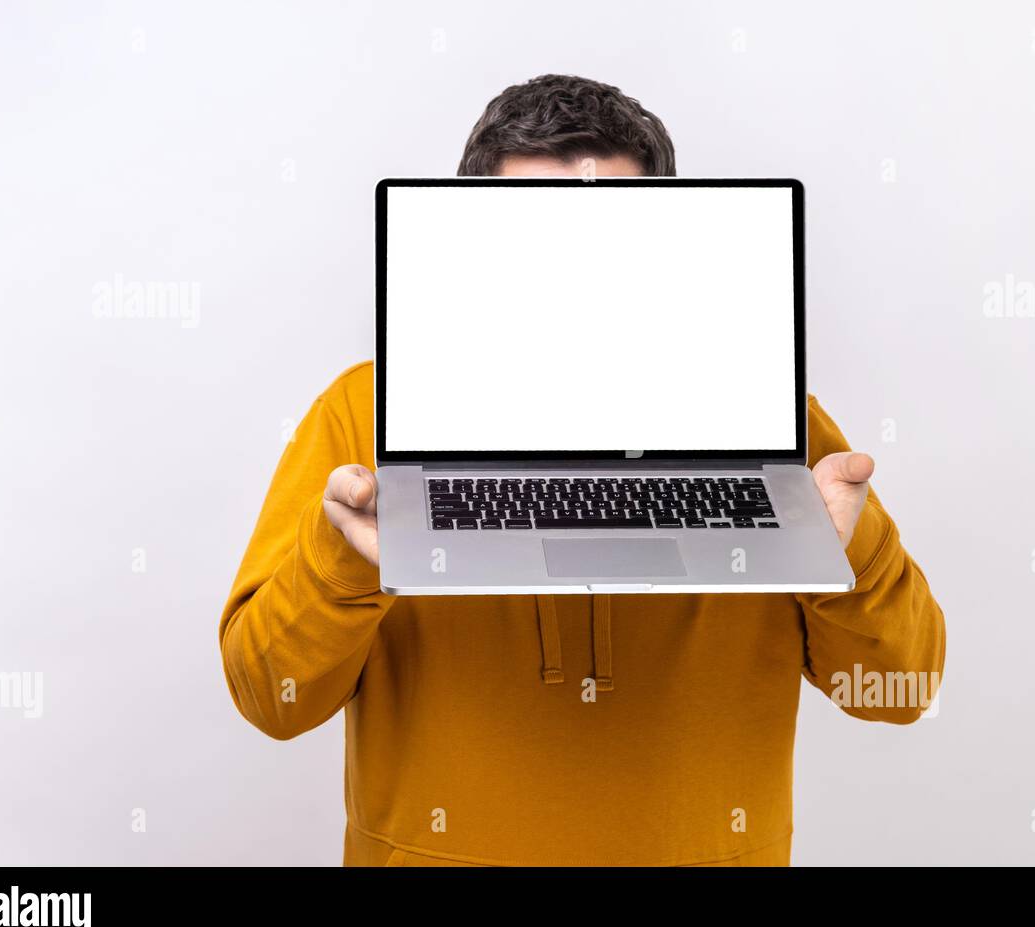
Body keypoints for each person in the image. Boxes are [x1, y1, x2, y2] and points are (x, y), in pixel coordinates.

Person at [219, 74, 945, 867]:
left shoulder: (771, 426)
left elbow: (905, 691)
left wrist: (850, 555)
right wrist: (340, 568)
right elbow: (270, 700)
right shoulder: (363, 415)